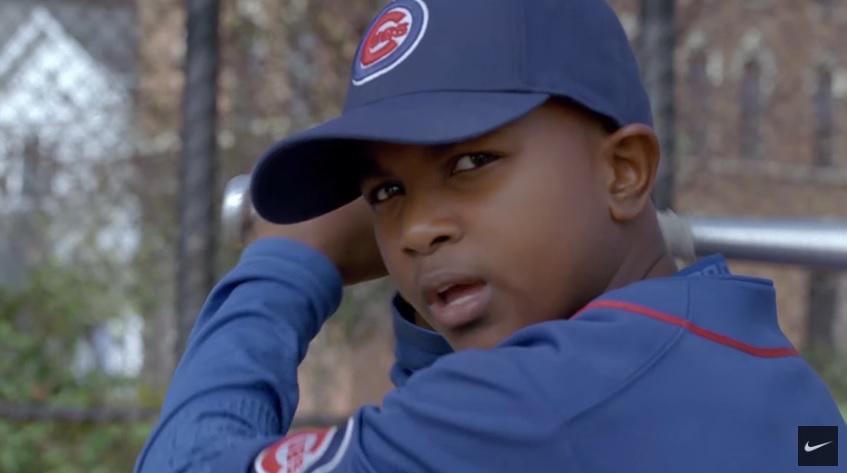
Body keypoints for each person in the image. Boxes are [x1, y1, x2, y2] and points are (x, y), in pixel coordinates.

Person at [134, 0, 847, 472]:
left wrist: (285, 263)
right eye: (388, 192)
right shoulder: (769, 373)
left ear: (624, 171)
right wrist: (433, 312)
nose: (417, 230)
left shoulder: (540, 402)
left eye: (471, 163)